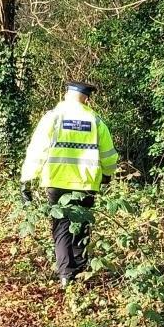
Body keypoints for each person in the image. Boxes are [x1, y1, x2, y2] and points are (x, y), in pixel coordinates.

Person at [20, 81, 118, 288]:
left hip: (57, 181)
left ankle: (66, 274)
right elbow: (109, 154)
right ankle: (81, 271)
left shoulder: (53, 117)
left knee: (61, 227)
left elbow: (37, 150)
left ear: (66, 95)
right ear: (86, 98)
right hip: (86, 183)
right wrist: (107, 175)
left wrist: (27, 180)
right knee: (81, 226)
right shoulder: (95, 120)